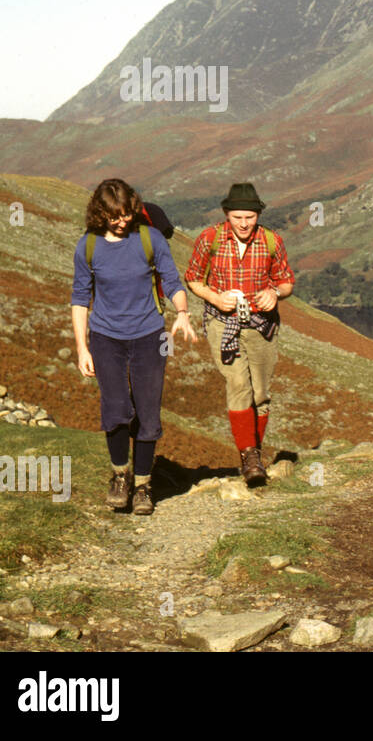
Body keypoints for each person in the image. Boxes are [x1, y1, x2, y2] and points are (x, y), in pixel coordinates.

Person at [71, 179, 196, 516]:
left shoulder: (150, 238)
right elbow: (80, 299)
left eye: (126, 214)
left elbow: (171, 280)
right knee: (115, 409)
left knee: (148, 411)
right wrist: (83, 349)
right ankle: (119, 478)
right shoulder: (88, 246)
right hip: (106, 337)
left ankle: (143, 486)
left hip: (149, 336)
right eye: (114, 217)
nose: (122, 221)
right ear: (100, 213)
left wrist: (182, 313)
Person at [185, 183, 295, 485]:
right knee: (237, 383)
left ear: (257, 214)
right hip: (223, 322)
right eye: (237, 218)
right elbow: (193, 278)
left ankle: (254, 454)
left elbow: (286, 281)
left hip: (262, 325)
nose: (244, 224)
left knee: (260, 393)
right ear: (226, 215)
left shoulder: (272, 241)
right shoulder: (210, 239)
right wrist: (215, 298)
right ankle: (249, 455)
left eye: (250, 217)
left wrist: (275, 293)